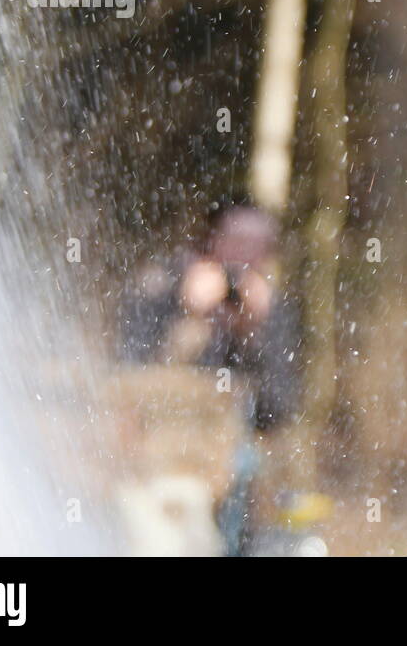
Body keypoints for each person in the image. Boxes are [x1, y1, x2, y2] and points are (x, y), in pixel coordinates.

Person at [117, 202, 304, 553]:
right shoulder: (161, 286)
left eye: (260, 245)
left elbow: (278, 409)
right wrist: (185, 315)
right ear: (209, 242)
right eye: (237, 241)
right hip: (155, 464)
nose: (247, 255)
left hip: (231, 477)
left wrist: (253, 335)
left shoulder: (271, 309)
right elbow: (130, 375)